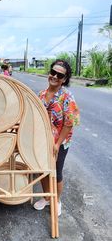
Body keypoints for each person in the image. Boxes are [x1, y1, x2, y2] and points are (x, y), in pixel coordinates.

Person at [33, 59, 80, 216]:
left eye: (59, 75)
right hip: (42, 140)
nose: (54, 76)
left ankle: (57, 200)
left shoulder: (67, 97)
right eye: (52, 72)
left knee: (56, 171)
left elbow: (69, 123)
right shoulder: (41, 94)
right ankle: (47, 197)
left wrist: (57, 144)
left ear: (64, 79)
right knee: (41, 169)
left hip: (60, 142)